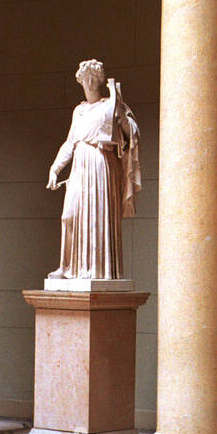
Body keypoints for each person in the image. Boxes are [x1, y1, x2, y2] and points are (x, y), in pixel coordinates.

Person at [46, 59, 141, 280]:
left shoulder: (111, 104)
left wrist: (120, 113)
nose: (89, 83)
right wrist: (55, 168)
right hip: (80, 163)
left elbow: (131, 135)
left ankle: (97, 269)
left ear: (99, 82)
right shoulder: (79, 111)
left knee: (96, 217)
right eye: (85, 79)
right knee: (68, 215)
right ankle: (66, 266)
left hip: (100, 163)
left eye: (93, 79)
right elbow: (70, 142)